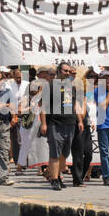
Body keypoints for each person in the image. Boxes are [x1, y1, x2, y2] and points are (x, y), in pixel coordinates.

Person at [41, 62, 80, 191]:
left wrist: (79, 120)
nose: (67, 73)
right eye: (65, 71)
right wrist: (44, 123)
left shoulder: (71, 86)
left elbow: (74, 105)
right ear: (58, 71)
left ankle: (57, 175)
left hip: (70, 123)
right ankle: (54, 180)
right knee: (55, 154)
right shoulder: (50, 86)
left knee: (65, 153)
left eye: (69, 71)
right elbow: (43, 107)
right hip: (55, 124)